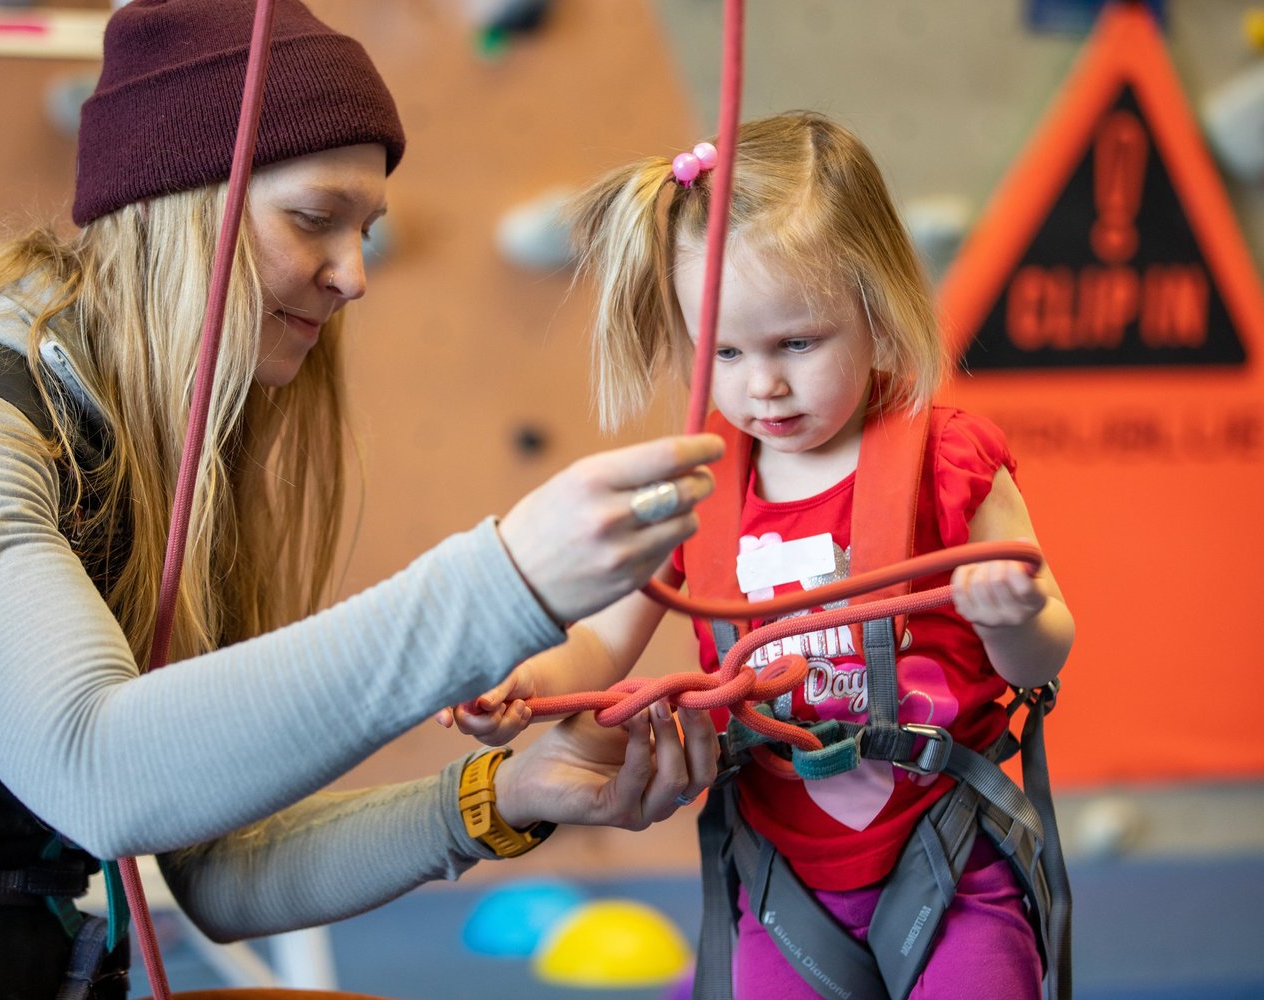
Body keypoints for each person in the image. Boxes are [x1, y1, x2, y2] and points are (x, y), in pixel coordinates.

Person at [0, 1, 727, 997]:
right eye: (313, 219)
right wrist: (498, 584)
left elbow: (225, 869)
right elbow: (100, 771)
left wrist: (496, 796)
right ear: (178, 202)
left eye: (365, 232)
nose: (353, 276)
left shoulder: (149, 446)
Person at [440, 112, 1076, 999]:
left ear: (875, 304)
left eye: (797, 344)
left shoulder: (952, 459)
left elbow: (1046, 653)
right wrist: (525, 685)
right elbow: (599, 644)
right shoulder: (694, 490)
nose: (762, 385)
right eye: (726, 353)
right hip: (782, 878)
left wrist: (1016, 617)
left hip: (951, 860)